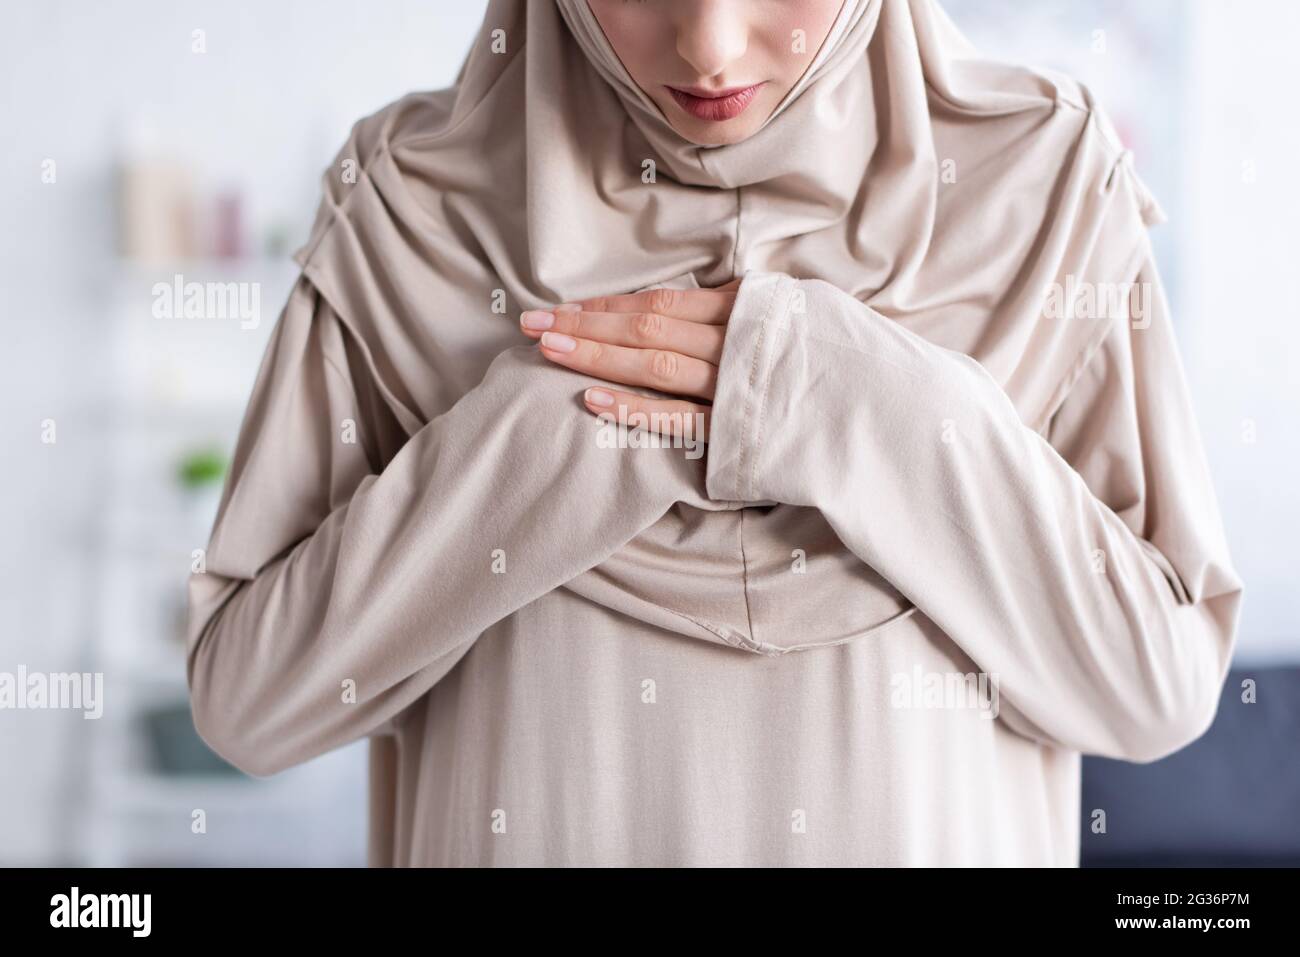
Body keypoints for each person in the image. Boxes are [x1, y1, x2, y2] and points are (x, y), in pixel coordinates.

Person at [186, 0, 1243, 866]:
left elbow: (1153, 689)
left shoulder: (1043, 186)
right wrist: (558, 437)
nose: (709, 45)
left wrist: (851, 399)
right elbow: (251, 703)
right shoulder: (409, 205)